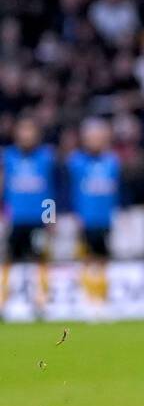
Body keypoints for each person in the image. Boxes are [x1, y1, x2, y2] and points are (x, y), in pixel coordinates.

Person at [1, 117, 56, 318]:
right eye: (23, 131)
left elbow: (50, 189)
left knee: (39, 260)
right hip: (15, 219)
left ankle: (41, 303)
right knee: (9, 259)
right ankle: (3, 301)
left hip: (38, 220)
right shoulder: (8, 157)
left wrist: (49, 219)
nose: (26, 136)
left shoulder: (45, 158)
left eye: (30, 131)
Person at [66, 118, 120, 319]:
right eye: (92, 137)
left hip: (105, 219)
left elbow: (117, 191)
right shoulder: (76, 161)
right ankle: (88, 300)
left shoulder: (112, 161)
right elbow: (69, 190)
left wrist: (118, 212)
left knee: (104, 259)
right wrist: (71, 213)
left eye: (99, 137)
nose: (95, 141)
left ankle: (103, 299)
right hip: (85, 219)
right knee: (86, 259)